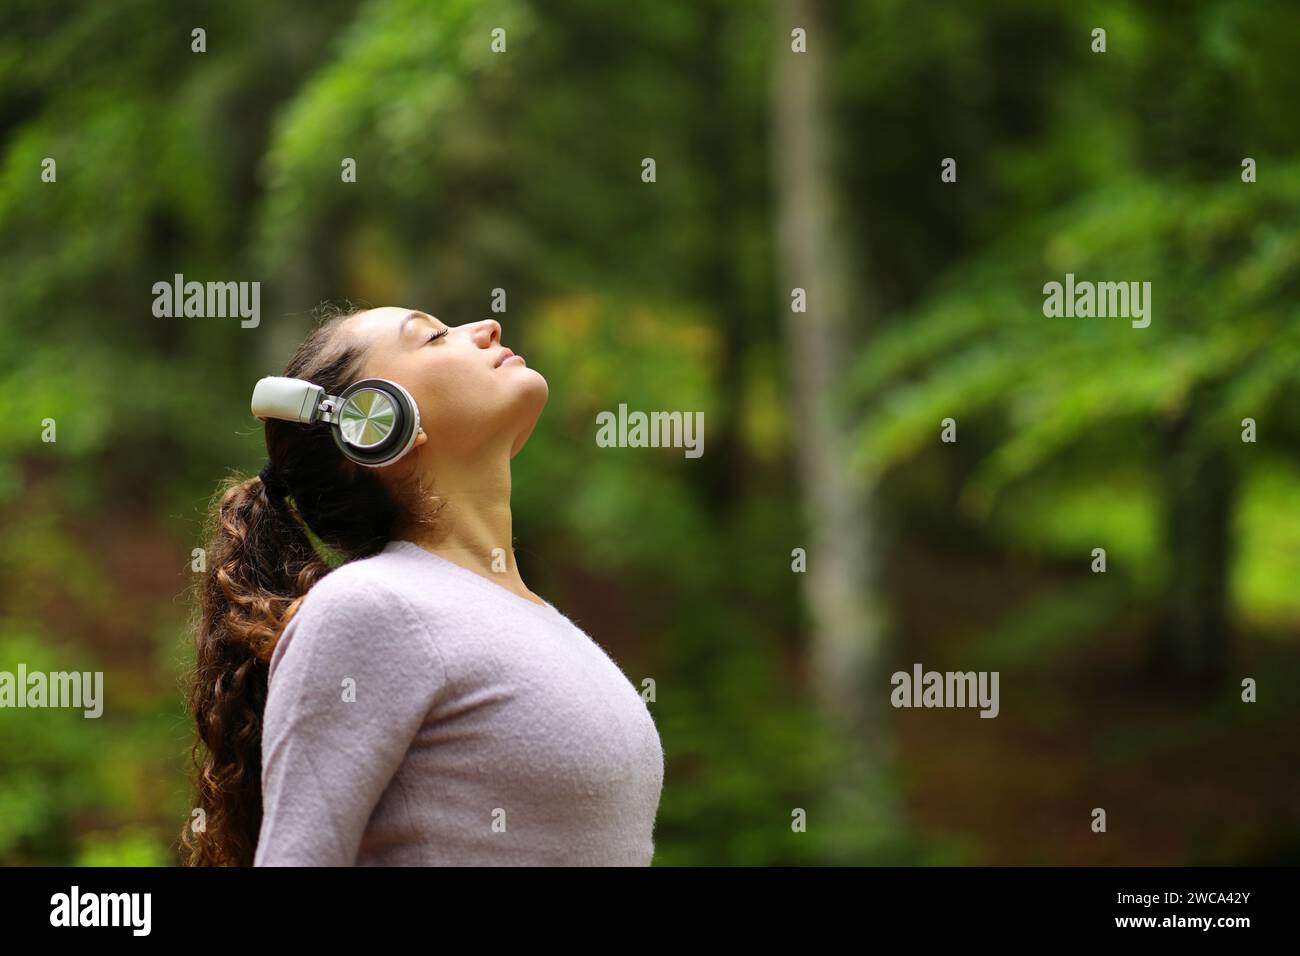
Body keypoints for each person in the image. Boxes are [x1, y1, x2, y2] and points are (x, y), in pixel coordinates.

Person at [180, 304, 664, 865]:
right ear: (375, 421)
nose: (487, 328)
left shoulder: (552, 629)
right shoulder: (372, 607)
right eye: (433, 336)